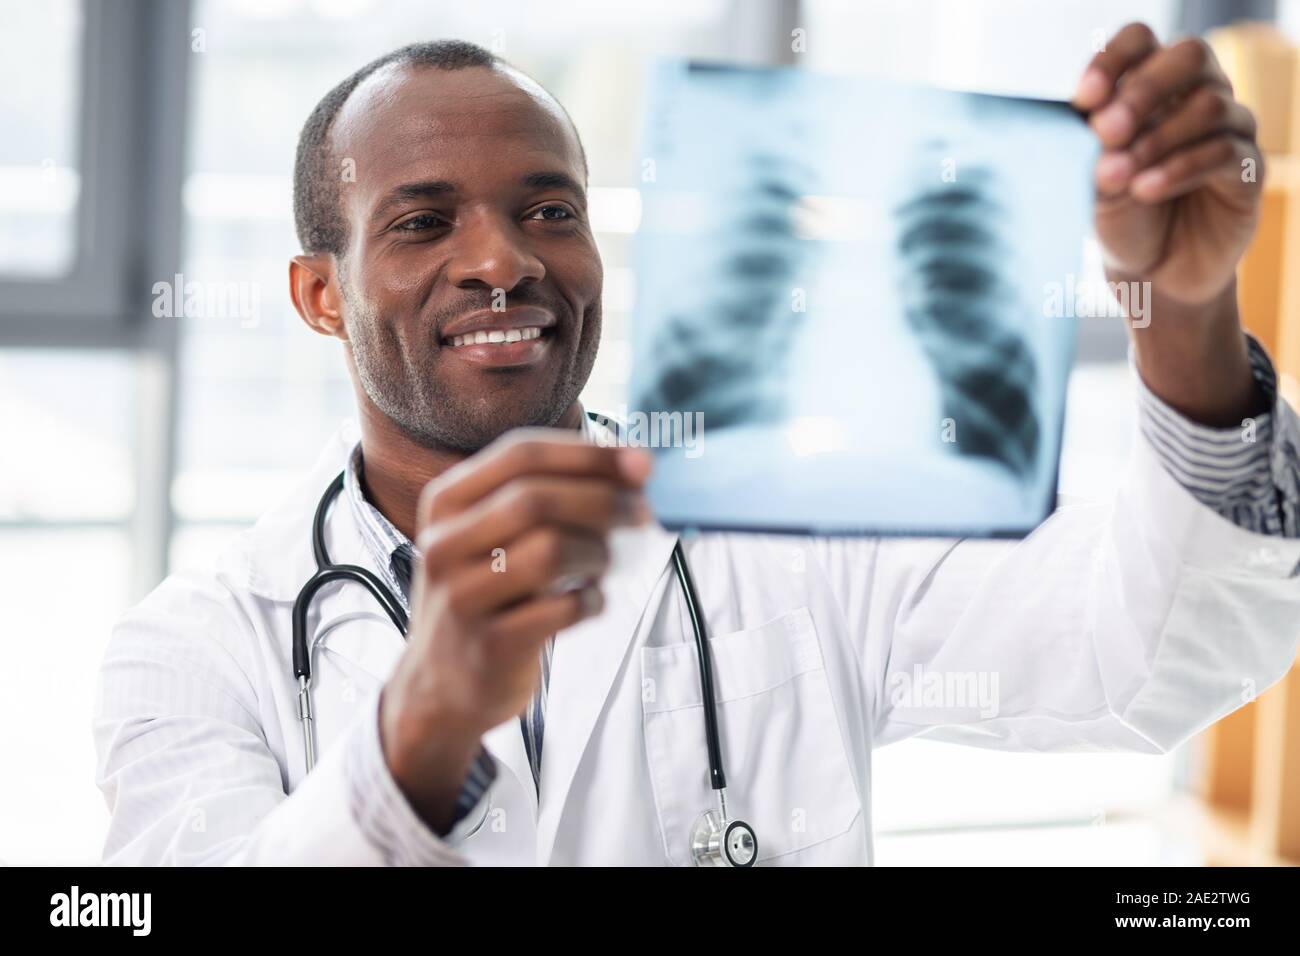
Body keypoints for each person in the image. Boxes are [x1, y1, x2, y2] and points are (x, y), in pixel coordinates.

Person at [95, 26, 1300, 866]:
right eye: (421, 221)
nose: (503, 258)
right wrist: (423, 728)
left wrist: (1179, 308)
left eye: (547, 209)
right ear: (318, 293)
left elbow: (1155, 653)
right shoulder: (197, 645)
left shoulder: (787, 527)